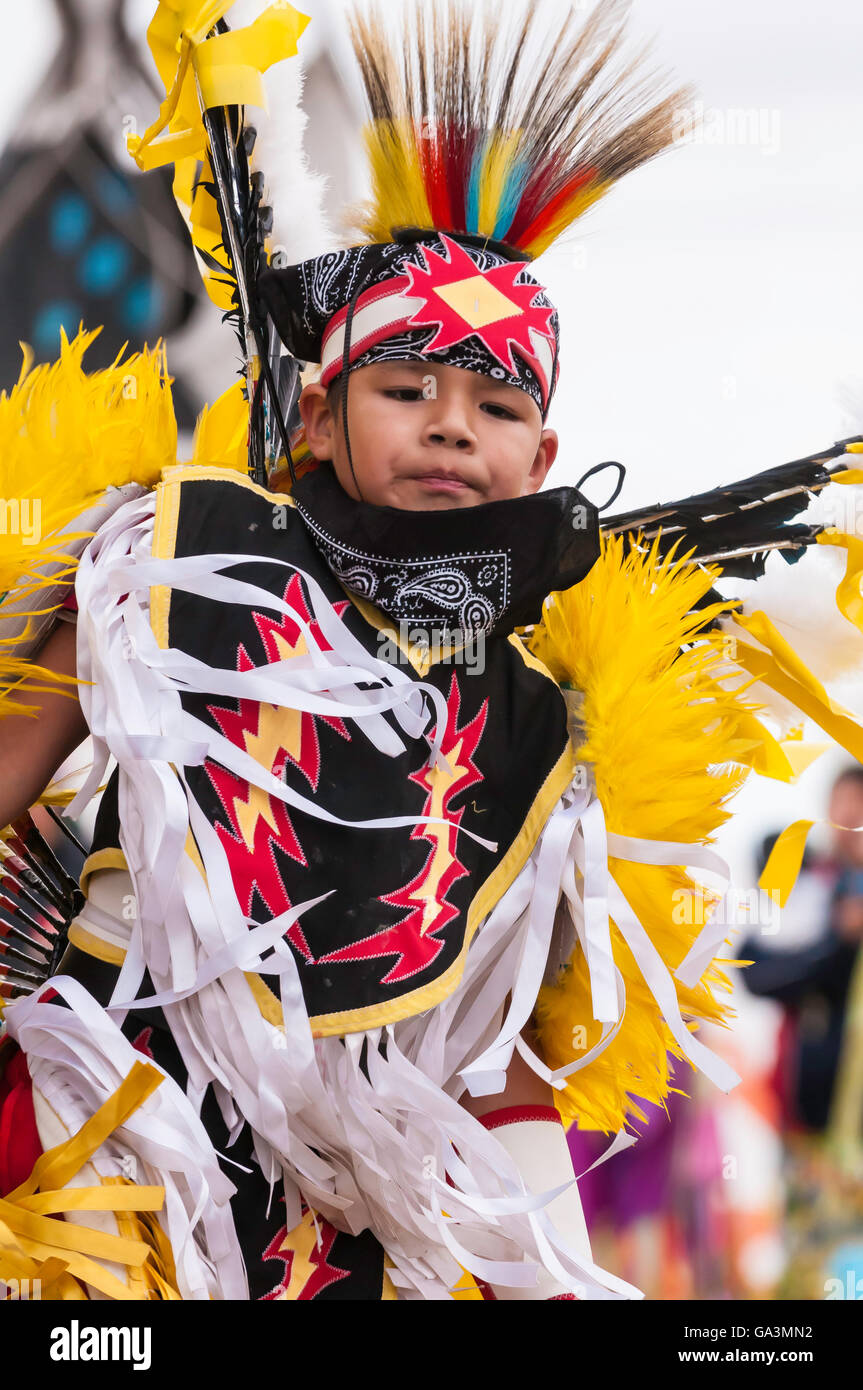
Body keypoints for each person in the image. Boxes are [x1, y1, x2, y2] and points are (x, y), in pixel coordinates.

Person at [2, 0, 862, 1302]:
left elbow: (500, 1056)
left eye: (496, 400)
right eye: (406, 388)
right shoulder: (176, 557)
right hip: (97, 1153)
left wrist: (537, 1271)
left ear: (543, 455)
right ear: (325, 415)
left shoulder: (551, 727)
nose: (451, 425)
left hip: (337, 1223)